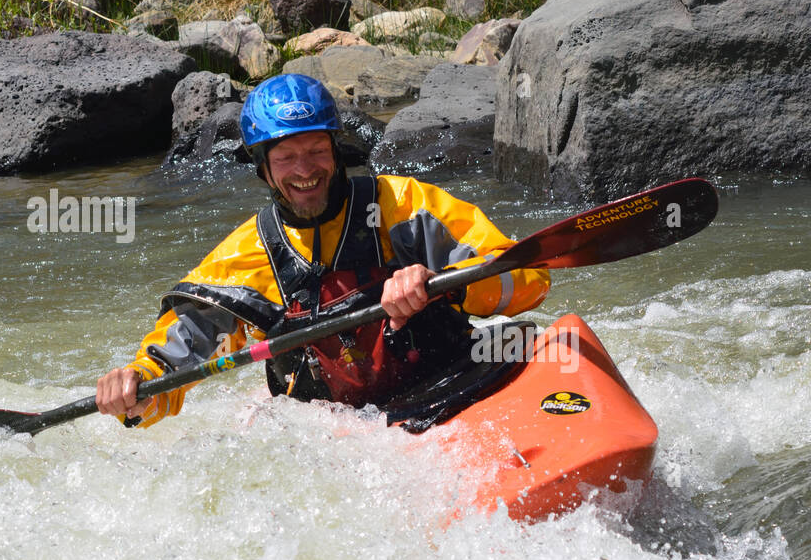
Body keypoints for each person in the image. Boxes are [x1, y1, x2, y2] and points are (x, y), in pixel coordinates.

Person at [95, 73, 550, 428]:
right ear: (264, 170)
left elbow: (529, 278)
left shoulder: (404, 206)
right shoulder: (246, 256)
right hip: (346, 434)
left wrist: (443, 286)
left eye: (315, 150)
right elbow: (179, 357)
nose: (305, 170)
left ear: (336, 151)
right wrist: (136, 388)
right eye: (286, 158)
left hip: (454, 385)